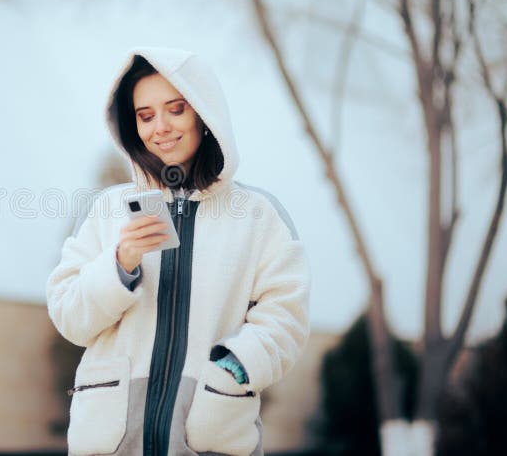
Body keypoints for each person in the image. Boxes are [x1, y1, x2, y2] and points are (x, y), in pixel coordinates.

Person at [46, 47, 311, 456]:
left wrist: (231, 369)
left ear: (203, 114)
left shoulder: (259, 216)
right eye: (146, 115)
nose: (161, 128)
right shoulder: (107, 210)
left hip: (211, 436)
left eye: (176, 109)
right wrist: (120, 263)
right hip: (111, 440)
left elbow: (286, 320)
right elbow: (70, 316)